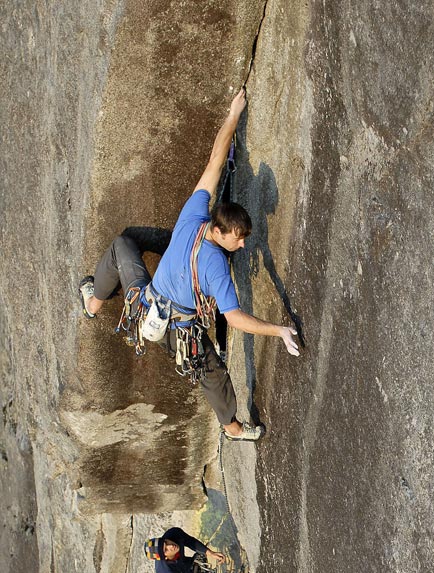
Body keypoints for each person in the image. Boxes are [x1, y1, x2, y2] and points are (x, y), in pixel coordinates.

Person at [79, 89, 299, 441]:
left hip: (144, 303)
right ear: (219, 231)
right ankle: (233, 429)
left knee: (123, 245)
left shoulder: (194, 213)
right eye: (238, 239)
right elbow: (234, 318)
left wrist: (233, 114)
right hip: (178, 329)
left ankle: (93, 303)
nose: (243, 245)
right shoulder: (216, 267)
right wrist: (279, 331)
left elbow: (215, 160)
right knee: (213, 373)